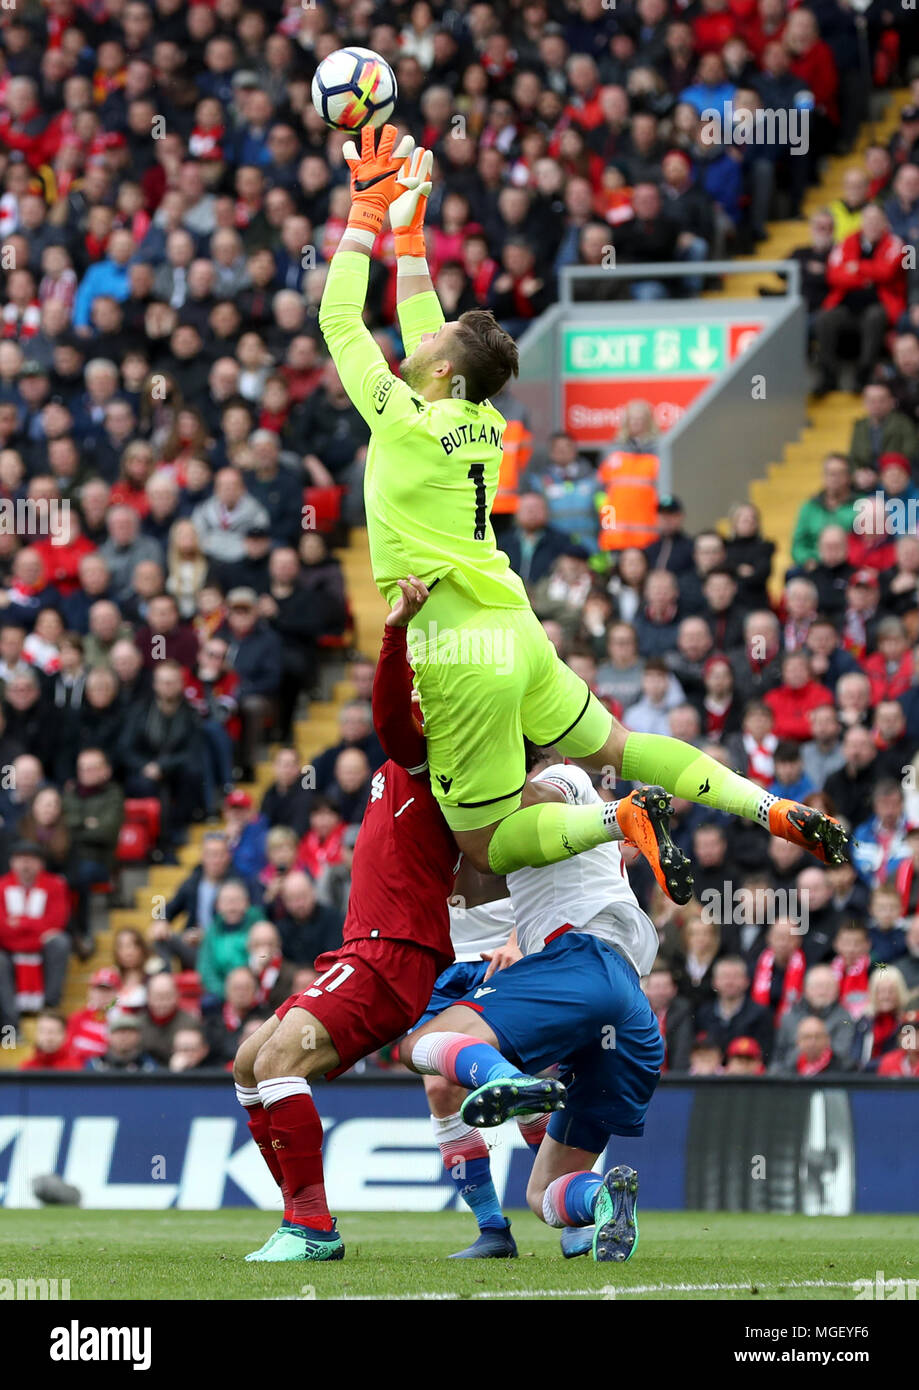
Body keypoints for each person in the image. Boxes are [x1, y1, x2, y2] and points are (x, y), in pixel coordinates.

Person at [316, 125, 849, 908]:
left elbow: (338, 320)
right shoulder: (485, 425)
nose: (420, 332)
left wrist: (364, 210)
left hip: (454, 646)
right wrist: (410, 232)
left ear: (436, 367)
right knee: (623, 743)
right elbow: (424, 328)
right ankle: (762, 803)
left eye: (430, 337)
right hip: (517, 629)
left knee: (485, 843)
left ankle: (615, 817)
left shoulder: (402, 418)